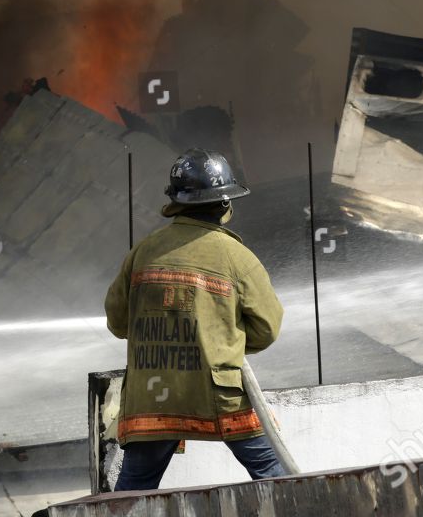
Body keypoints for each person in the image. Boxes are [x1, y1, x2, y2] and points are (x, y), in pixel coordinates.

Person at [104, 148, 287, 491]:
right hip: (219, 397)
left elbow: (117, 321)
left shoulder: (143, 252)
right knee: (276, 475)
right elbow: (267, 329)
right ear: (224, 204)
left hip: (151, 399)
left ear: (177, 203)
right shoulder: (237, 257)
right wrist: (221, 341)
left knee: (129, 497)